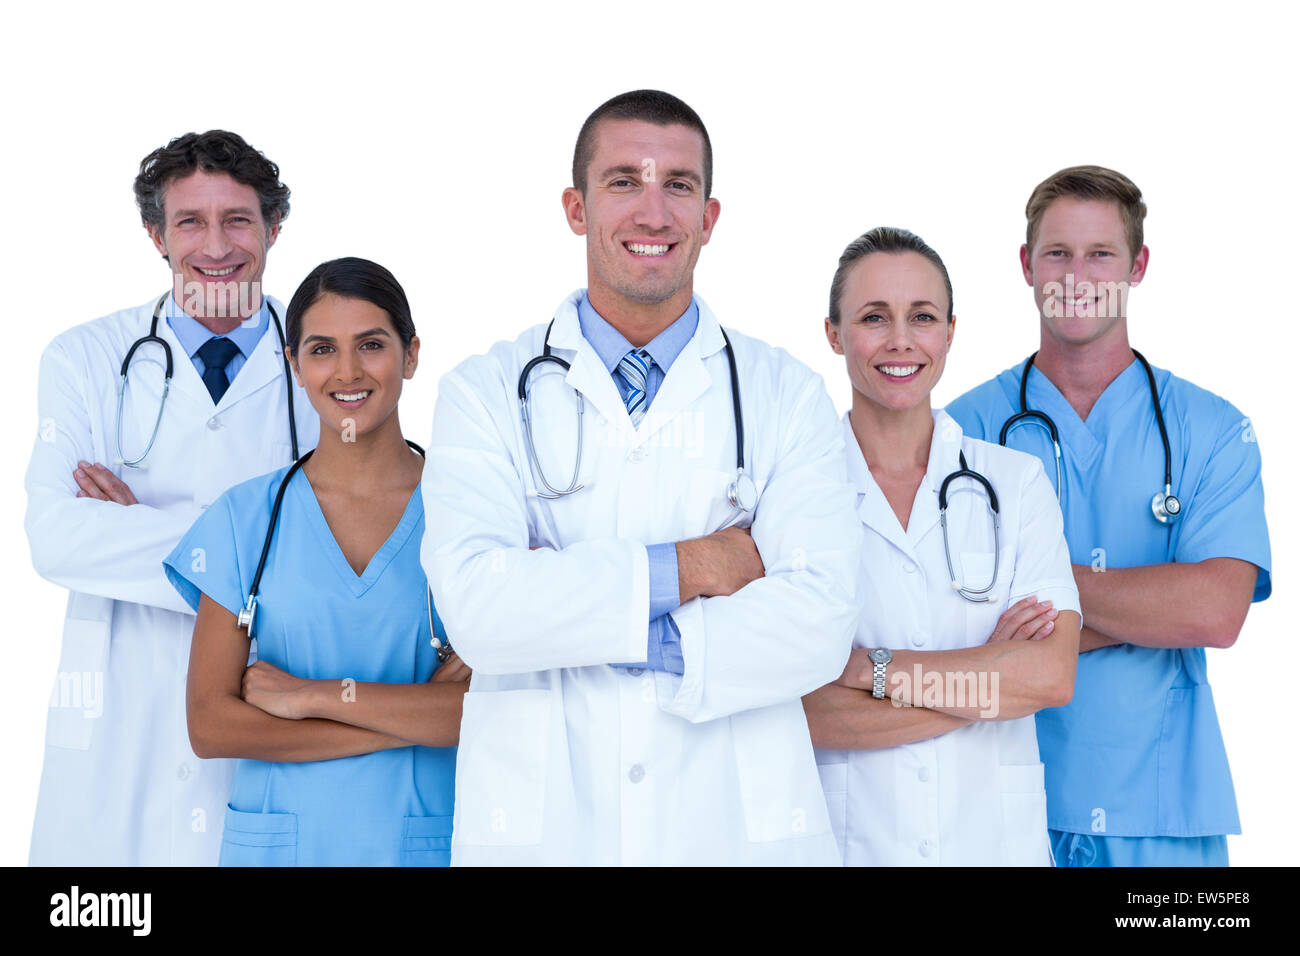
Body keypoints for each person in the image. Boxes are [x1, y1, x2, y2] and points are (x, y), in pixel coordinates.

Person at [421, 89, 862, 866]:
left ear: (710, 218)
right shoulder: (483, 391)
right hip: (547, 831)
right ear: (576, 207)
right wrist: (700, 566)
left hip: (734, 831)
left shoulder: (786, 394)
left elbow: (820, 621)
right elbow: (479, 613)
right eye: (624, 181)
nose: (653, 213)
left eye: (678, 186)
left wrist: (580, 616)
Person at [945, 166, 1271, 867]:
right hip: (996, 803)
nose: (1077, 274)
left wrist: (1041, 602)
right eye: (1057, 253)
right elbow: (942, 614)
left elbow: (1215, 611)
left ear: (1138, 266)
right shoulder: (959, 430)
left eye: (1101, 254)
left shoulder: (1211, 429)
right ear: (1027, 266)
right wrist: (1144, 607)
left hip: (1159, 816)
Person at [24, 130, 318, 866]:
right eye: (190, 222)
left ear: (273, 228)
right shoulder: (85, 359)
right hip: (122, 725)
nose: (216, 246)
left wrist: (137, 530)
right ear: (156, 234)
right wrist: (267, 552)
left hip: (269, 715)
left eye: (238, 220)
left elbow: (358, 548)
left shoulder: (328, 359)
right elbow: (55, 537)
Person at [163, 257, 467, 866]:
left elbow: (490, 710)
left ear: (410, 356)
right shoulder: (245, 519)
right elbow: (211, 726)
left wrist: (313, 694)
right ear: (294, 364)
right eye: (323, 348)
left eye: (372, 345)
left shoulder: (469, 515)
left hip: (421, 847)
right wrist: (411, 716)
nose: (348, 371)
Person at [803, 226, 1081, 866]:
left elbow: (1049, 674)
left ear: (950, 333)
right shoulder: (792, 492)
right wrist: (989, 678)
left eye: (922, 317)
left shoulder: (1014, 483)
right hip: (852, 847)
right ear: (834, 334)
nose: (901, 339)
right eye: (875, 317)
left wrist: (866, 671)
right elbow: (802, 710)